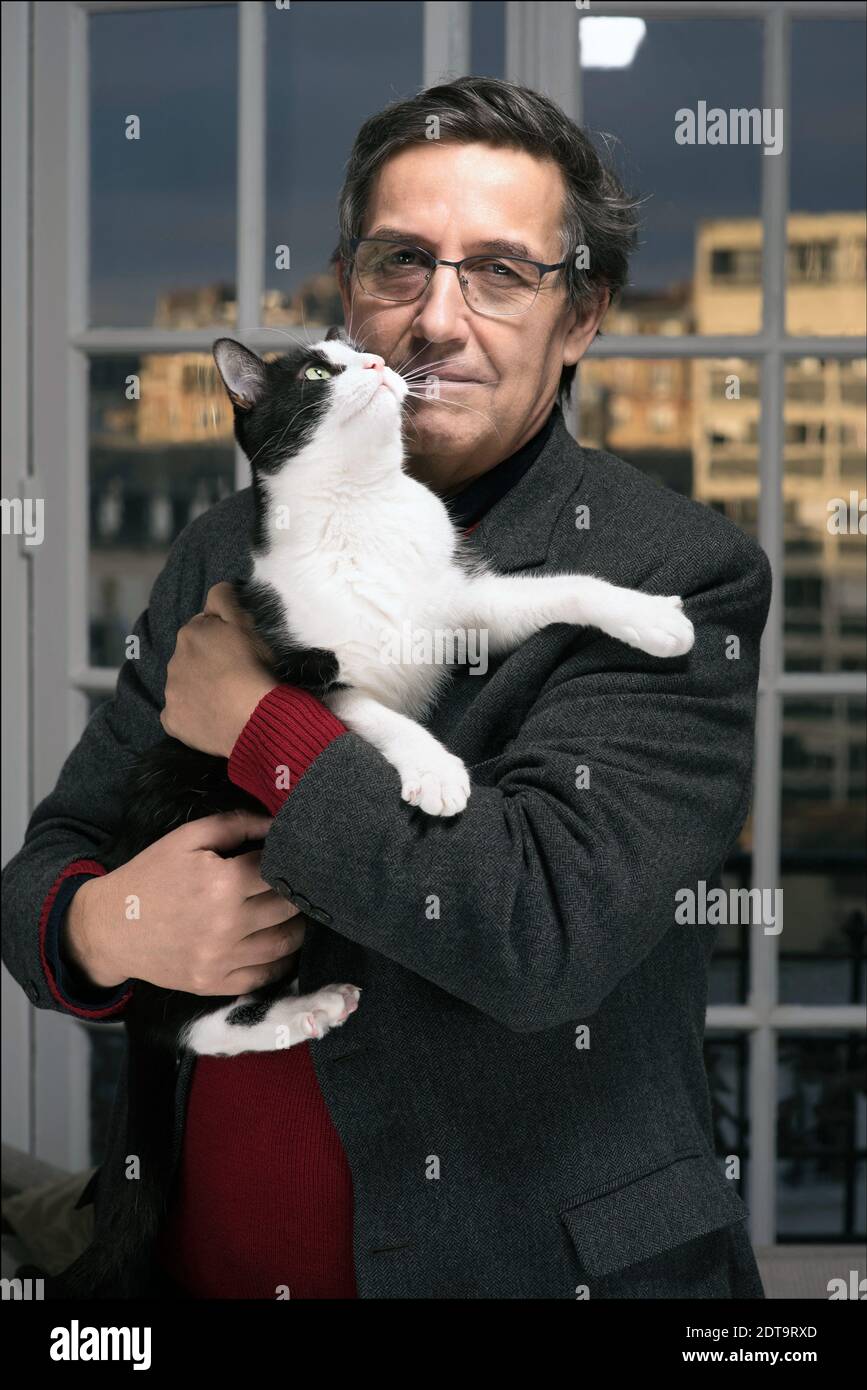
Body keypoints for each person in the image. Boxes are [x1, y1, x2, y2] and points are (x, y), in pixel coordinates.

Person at [1, 75, 769, 1299]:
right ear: (351, 293)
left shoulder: (676, 572)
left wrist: (263, 724)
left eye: (501, 274)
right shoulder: (222, 546)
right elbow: (53, 862)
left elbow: (538, 935)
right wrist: (112, 925)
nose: (437, 320)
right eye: (400, 263)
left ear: (583, 318)